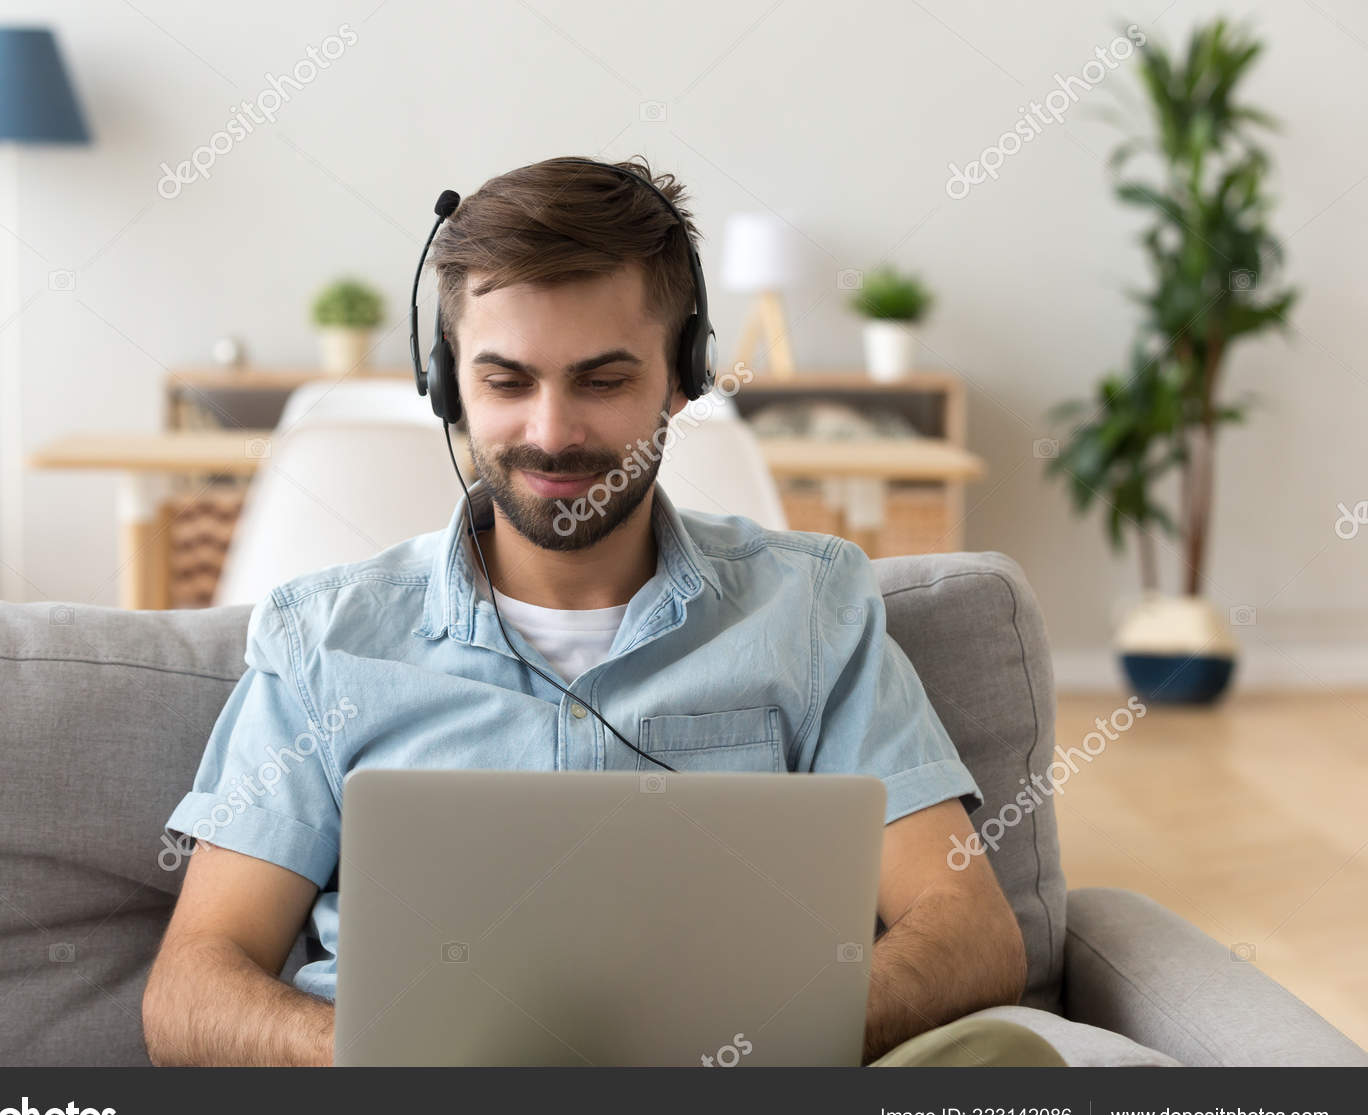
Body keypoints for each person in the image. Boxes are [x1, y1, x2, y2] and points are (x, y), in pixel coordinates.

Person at [141, 154, 1055, 1068]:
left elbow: (968, 934)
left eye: (603, 380)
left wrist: (748, 1046)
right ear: (447, 384)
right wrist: (391, 1057)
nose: (551, 432)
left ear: (683, 376)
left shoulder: (814, 612)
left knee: (1007, 1064)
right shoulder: (322, 642)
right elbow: (193, 986)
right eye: (506, 381)